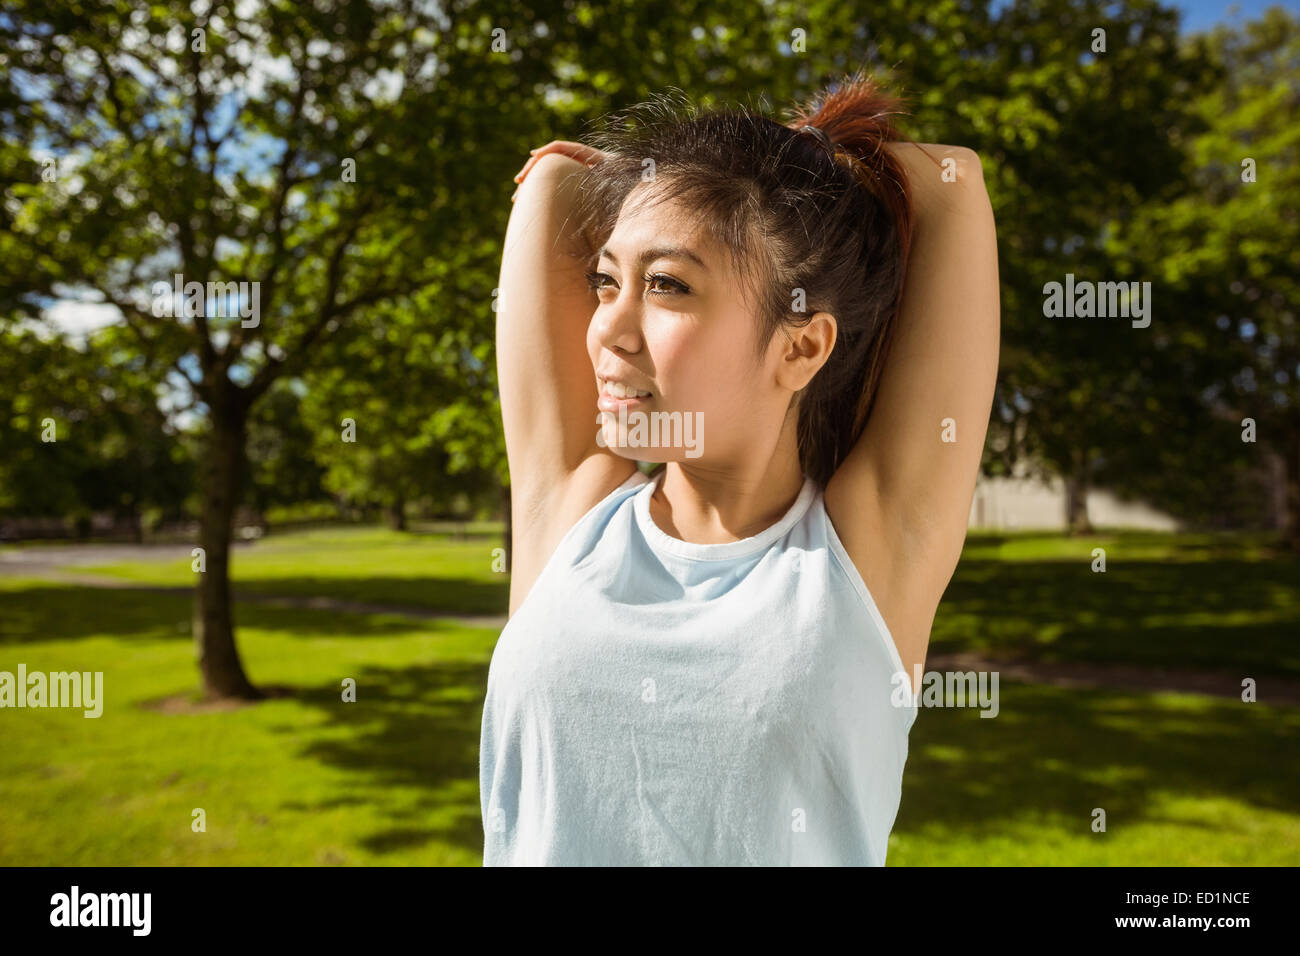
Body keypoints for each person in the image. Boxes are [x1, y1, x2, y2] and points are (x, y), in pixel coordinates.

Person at [481, 71, 999, 865]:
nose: (607, 332)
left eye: (666, 285)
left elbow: (953, 182)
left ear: (801, 346)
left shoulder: (866, 560)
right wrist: (634, 181)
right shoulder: (572, 512)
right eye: (604, 281)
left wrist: (811, 165)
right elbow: (552, 183)